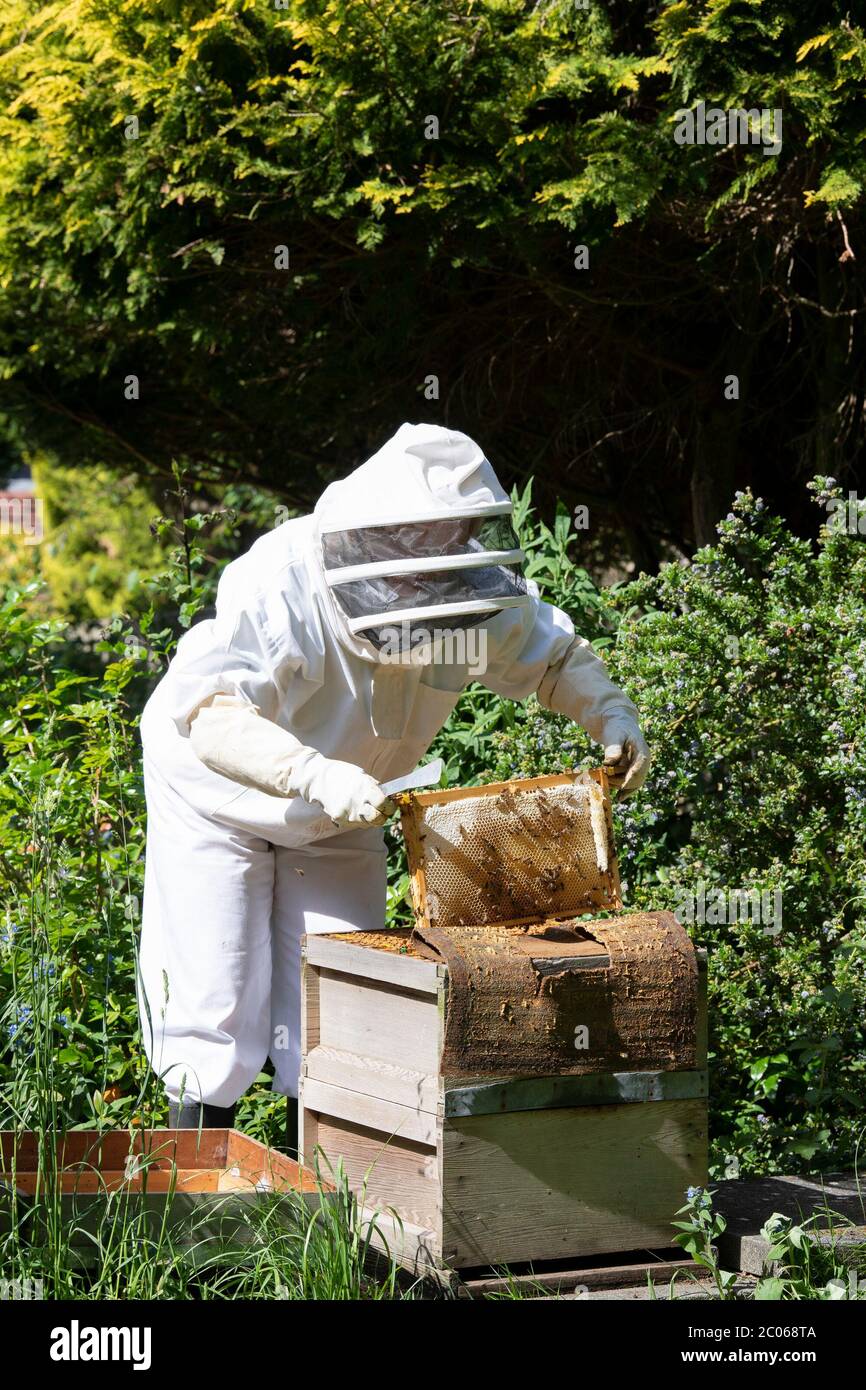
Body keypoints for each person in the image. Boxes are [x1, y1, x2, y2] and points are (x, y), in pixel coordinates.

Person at [137, 423, 650, 1138]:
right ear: (384, 526)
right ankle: (190, 1211)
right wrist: (310, 773)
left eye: (456, 536)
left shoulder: (469, 599)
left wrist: (612, 715)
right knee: (214, 999)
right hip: (216, 797)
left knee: (339, 999)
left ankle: (320, 1219)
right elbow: (210, 710)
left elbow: (554, 659)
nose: (434, 558)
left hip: (347, 807)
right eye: (424, 539)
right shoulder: (282, 581)